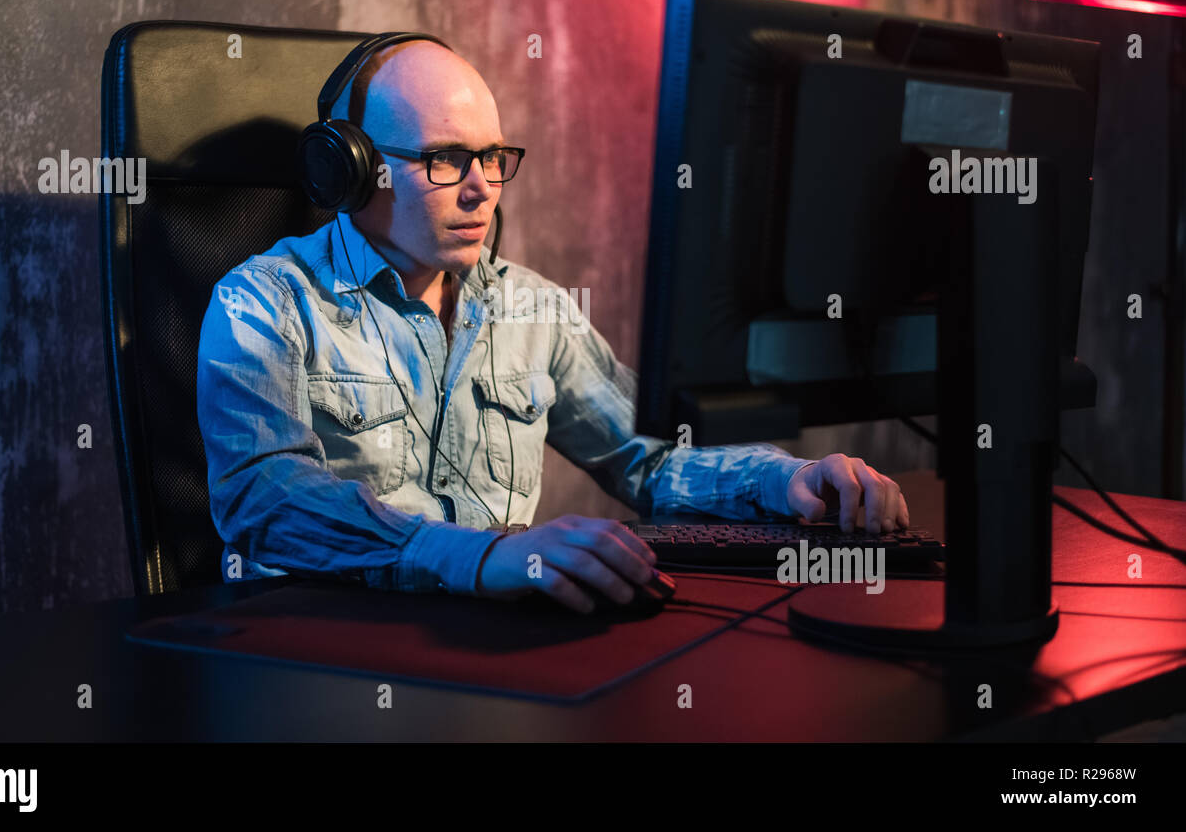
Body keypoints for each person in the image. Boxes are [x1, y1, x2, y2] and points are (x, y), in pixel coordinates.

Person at [196, 38, 910, 614]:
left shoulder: (531, 308)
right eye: (445, 158)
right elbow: (263, 500)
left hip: (488, 652)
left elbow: (650, 458)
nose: (480, 188)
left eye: (492, 158)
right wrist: (475, 557)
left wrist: (788, 480)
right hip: (317, 662)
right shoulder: (263, 305)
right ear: (347, 171)